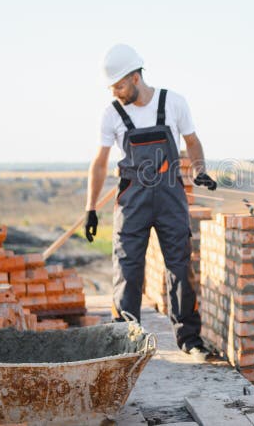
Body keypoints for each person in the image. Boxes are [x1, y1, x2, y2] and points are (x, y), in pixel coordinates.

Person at [84, 43, 217, 362]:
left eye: (119, 85)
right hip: (132, 202)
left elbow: (192, 142)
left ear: (135, 77)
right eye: (112, 87)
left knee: (180, 268)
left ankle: (189, 338)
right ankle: (126, 340)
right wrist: (90, 208)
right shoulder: (111, 114)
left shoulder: (173, 103)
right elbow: (100, 163)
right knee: (128, 269)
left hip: (171, 198)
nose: (115, 92)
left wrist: (199, 171)